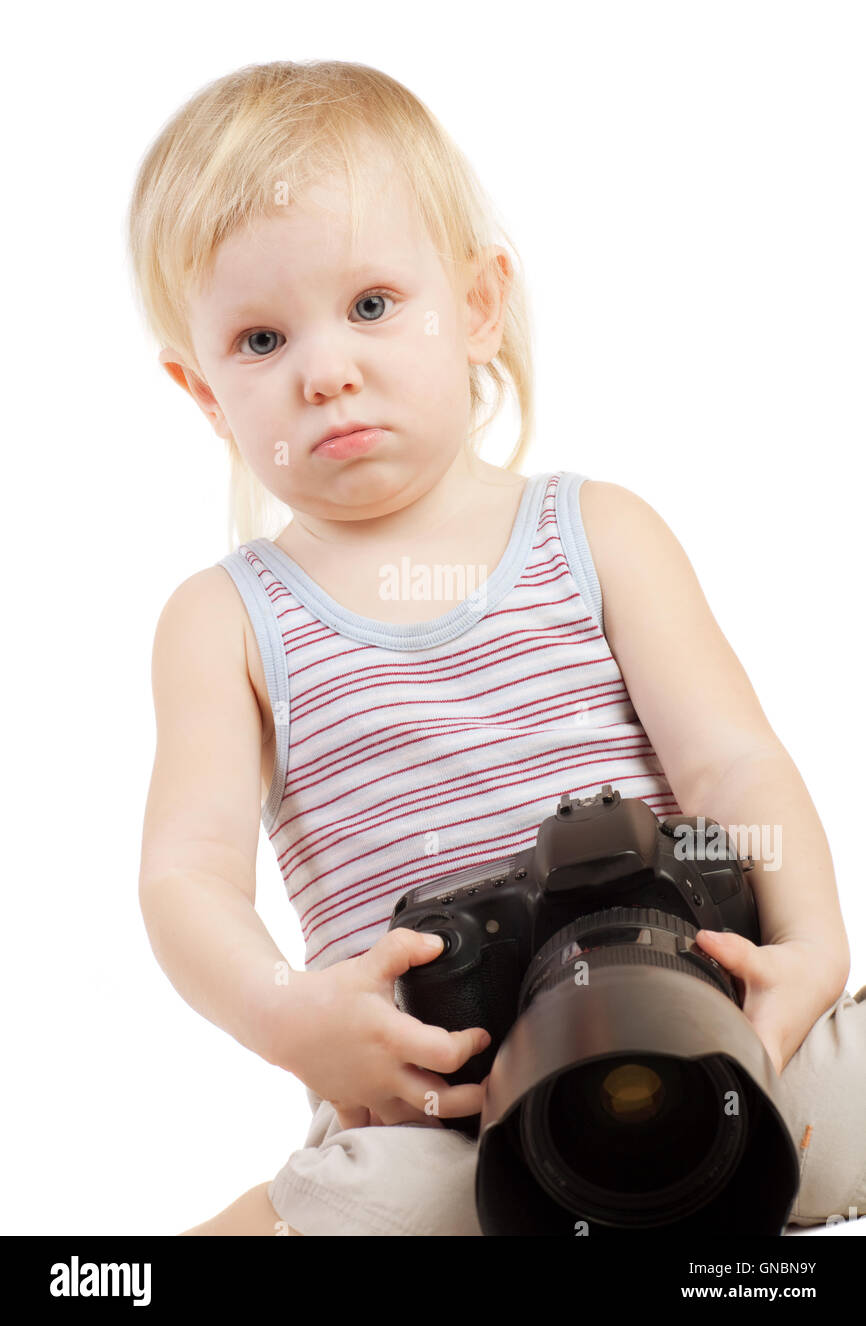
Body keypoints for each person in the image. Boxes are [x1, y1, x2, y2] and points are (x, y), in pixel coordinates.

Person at [128, 60, 865, 1236]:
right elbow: (186, 874)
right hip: (444, 1107)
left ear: (475, 307)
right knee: (369, 1203)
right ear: (203, 392)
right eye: (260, 339)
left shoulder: (600, 531)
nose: (326, 371)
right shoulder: (223, 620)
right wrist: (292, 1014)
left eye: (372, 304)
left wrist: (809, 952)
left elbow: (734, 767)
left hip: (701, 1032)